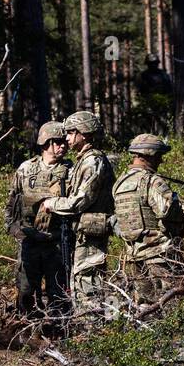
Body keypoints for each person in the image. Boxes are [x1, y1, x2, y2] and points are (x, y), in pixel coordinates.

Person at [36, 110, 114, 314]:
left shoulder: (92, 162)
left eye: (71, 133)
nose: (67, 139)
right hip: (84, 233)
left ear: (85, 134)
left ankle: (93, 334)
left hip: (92, 235)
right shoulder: (84, 160)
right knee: (80, 282)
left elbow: (80, 201)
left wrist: (53, 203)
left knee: (88, 285)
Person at [4, 121, 71, 317]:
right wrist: (13, 228)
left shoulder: (70, 171)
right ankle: (27, 327)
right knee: (25, 290)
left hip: (56, 242)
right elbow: (12, 202)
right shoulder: (26, 169)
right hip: (29, 240)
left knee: (57, 291)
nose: (63, 145)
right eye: (57, 142)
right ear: (45, 144)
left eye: (64, 141)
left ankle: (57, 329)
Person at [112, 134, 184, 303]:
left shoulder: (120, 183)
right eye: (159, 156)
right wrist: (183, 212)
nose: (160, 161)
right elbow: (168, 211)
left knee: (145, 306)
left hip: (133, 257)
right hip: (160, 256)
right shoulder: (151, 181)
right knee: (173, 305)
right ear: (150, 155)